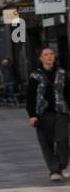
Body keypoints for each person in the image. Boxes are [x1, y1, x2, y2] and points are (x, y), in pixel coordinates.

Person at [26, 47, 69, 181]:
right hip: (42, 114)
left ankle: (61, 165)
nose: (50, 56)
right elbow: (30, 97)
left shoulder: (63, 73)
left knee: (63, 140)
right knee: (46, 143)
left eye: (51, 54)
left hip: (61, 112)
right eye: (46, 54)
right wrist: (32, 115)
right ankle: (54, 170)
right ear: (41, 58)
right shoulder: (35, 75)